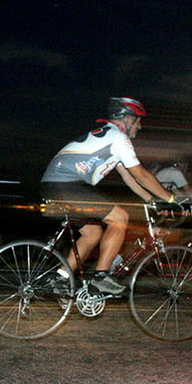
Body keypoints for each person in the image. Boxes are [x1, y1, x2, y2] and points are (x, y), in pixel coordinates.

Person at [39, 97, 177, 295]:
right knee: (120, 218)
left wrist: (152, 200)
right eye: (138, 121)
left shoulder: (109, 138)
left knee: (93, 233)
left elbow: (130, 178)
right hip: (67, 184)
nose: (140, 126)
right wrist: (170, 199)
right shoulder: (119, 139)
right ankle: (101, 277)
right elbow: (141, 174)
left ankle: (60, 278)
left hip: (55, 184)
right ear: (127, 119)